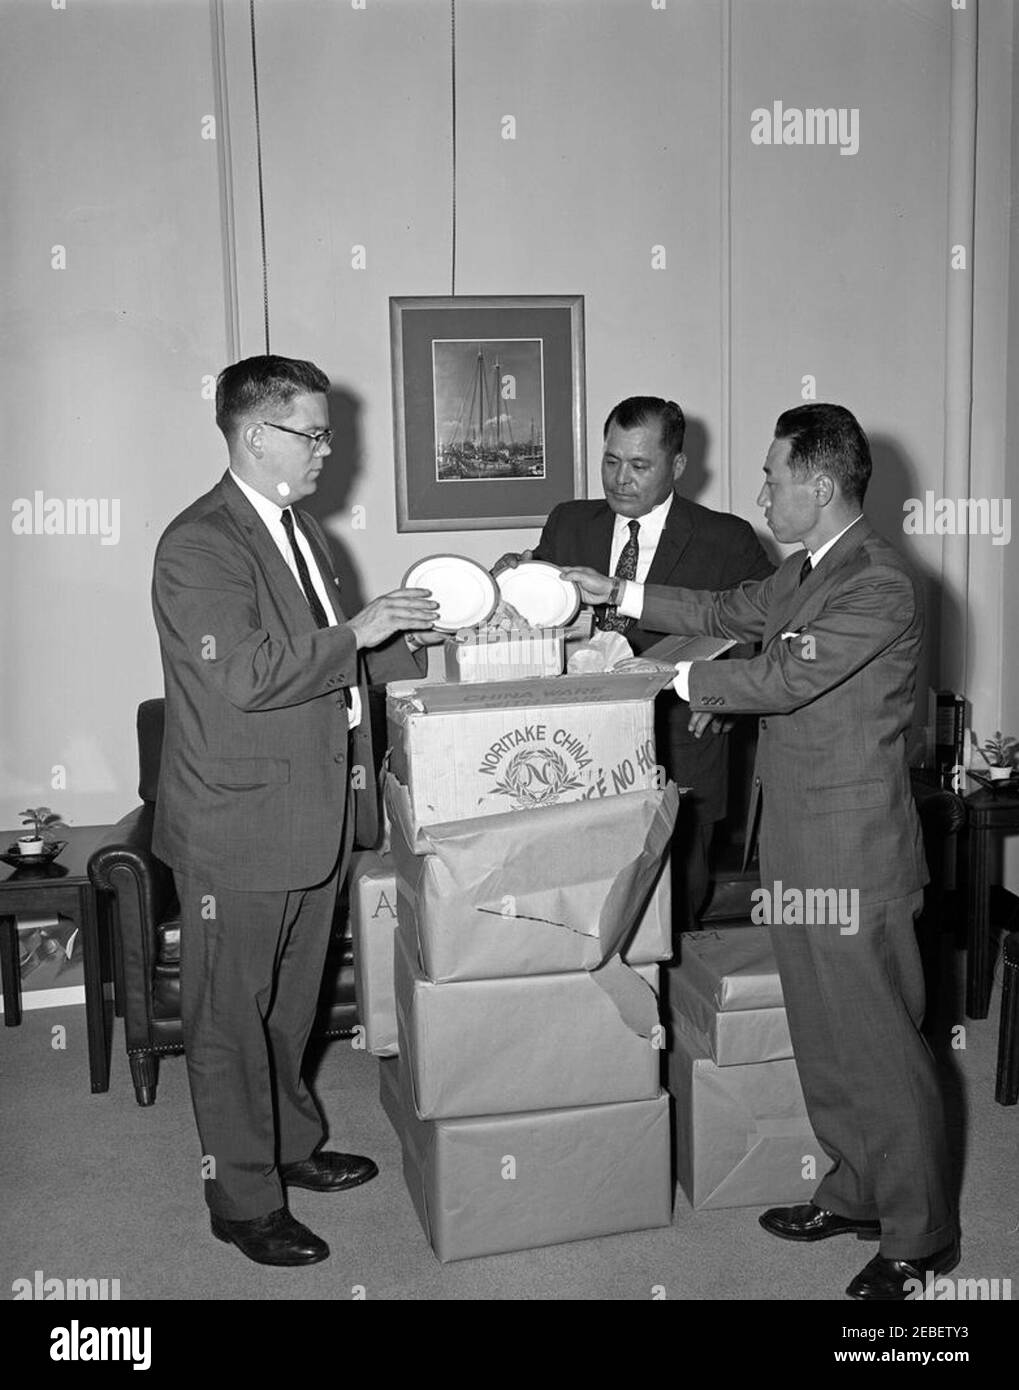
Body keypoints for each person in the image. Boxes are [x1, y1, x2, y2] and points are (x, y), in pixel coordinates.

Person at [562, 402, 958, 1301]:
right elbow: (723, 607)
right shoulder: (806, 569)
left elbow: (784, 675)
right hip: (797, 842)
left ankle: (918, 1236)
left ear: (818, 488)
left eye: (772, 478)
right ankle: (856, 1191)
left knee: (880, 1044)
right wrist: (615, 594)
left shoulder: (878, 583)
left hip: (854, 856)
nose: (760, 493)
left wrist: (659, 673)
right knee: (822, 1034)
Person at [151, 355, 438, 1267]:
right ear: (254, 435)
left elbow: (328, 662)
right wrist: (361, 630)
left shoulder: (298, 530)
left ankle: (289, 1146)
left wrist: (405, 641)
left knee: (290, 1008)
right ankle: (240, 1197)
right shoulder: (200, 543)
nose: (327, 450)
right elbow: (242, 674)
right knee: (230, 1017)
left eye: (325, 432)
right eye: (312, 434)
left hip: (312, 809)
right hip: (239, 825)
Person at [496, 396, 773, 922]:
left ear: (678, 466)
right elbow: (542, 618)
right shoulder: (568, 523)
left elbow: (764, 629)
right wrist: (511, 584)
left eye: (640, 465)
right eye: (611, 461)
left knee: (677, 910)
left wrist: (725, 692)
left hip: (683, 744)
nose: (621, 479)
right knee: (585, 907)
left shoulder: (728, 539)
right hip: (577, 753)